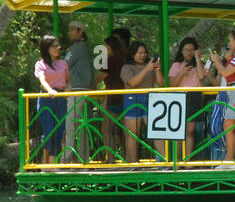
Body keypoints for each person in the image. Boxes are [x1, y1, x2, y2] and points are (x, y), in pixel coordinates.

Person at [208, 27, 235, 162]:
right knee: (229, 125)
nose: (229, 43)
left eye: (230, 40)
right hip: (233, 92)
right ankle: (230, 159)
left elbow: (226, 72)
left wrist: (216, 61)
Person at [169, 35, 213, 161]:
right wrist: (182, 72)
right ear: (181, 51)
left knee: (190, 130)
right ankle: (176, 161)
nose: (189, 53)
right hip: (179, 97)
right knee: (178, 131)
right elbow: (172, 83)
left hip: (194, 97)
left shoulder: (200, 64)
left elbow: (201, 77)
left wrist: (198, 59)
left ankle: (187, 161)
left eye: (191, 50)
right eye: (186, 50)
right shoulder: (176, 65)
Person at [120, 41, 164, 163]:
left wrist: (157, 69)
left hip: (150, 101)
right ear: (133, 54)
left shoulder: (150, 66)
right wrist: (146, 69)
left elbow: (161, 83)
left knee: (156, 131)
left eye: (145, 53)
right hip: (132, 100)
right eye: (140, 53)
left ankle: (165, 161)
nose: (143, 55)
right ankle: (133, 163)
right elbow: (132, 83)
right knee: (133, 134)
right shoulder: (127, 67)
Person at [34, 35, 70, 164]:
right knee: (49, 131)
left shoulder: (63, 63)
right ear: (47, 48)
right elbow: (42, 79)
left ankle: (52, 163)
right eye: (54, 46)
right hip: (46, 98)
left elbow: (67, 80)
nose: (58, 48)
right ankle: (46, 163)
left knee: (59, 130)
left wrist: (67, 91)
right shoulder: (40, 64)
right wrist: (50, 90)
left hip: (60, 98)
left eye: (58, 45)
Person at [64, 21, 94, 163]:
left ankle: (67, 157)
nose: (69, 32)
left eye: (72, 30)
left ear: (80, 31)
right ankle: (83, 159)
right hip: (85, 89)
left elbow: (65, 66)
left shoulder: (76, 48)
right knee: (82, 126)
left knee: (70, 124)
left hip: (77, 90)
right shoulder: (83, 47)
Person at [97, 30, 126, 162]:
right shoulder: (124, 59)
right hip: (125, 98)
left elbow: (99, 78)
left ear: (110, 47)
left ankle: (110, 158)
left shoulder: (108, 60)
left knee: (107, 129)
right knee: (125, 131)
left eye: (105, 46)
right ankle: (128, 157)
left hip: (113, 98)